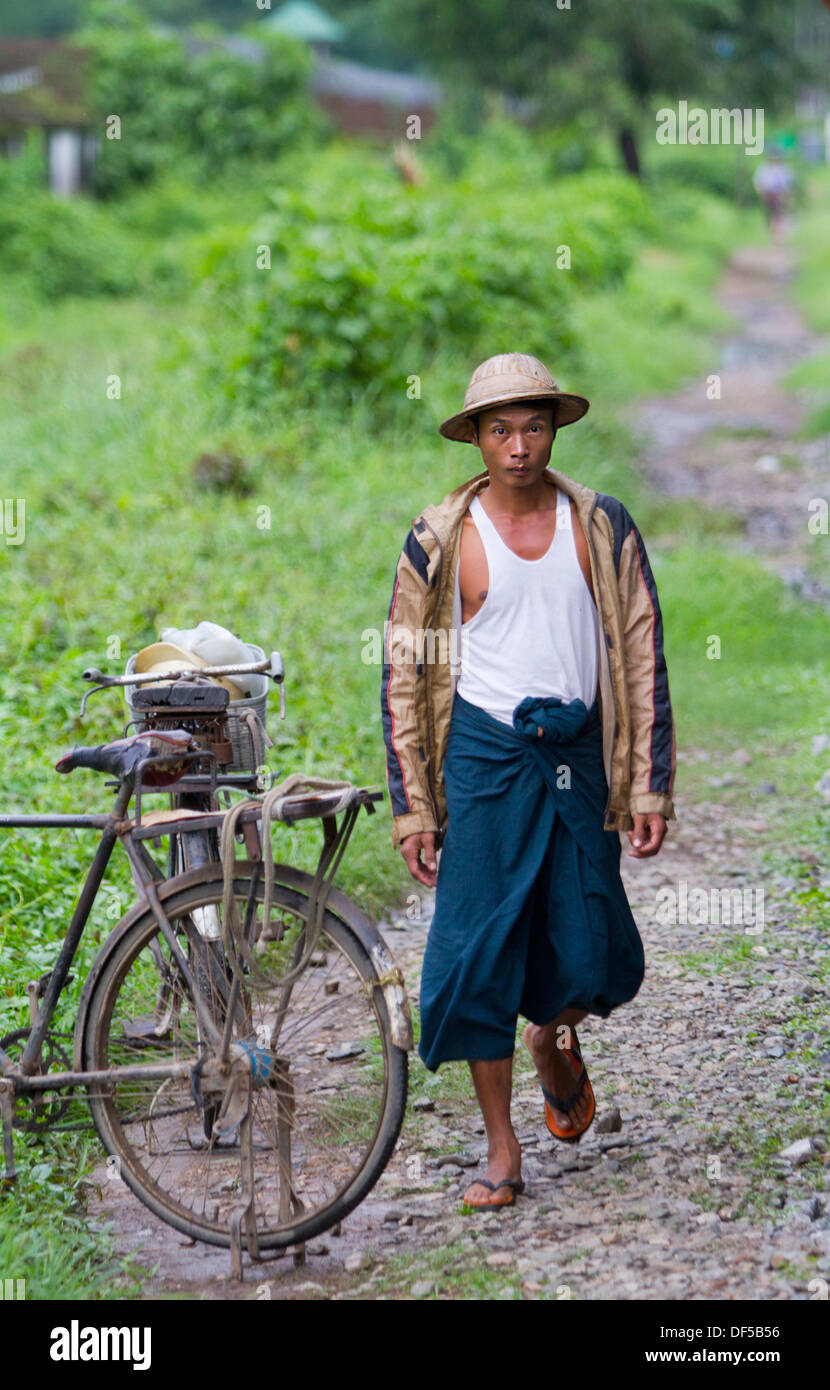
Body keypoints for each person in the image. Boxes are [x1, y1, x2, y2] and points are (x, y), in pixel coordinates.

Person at [380, 353, 677, 1208]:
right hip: (481, 758)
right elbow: (407, 677)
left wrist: (648, 785)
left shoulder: (603, 525)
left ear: (556, 428)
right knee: (478, 952)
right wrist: (414, 807)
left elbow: (644, 653)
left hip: (578, 755)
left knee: (594, 948)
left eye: (534, 426)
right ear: (475, 438)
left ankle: (552, 1036)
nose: (519, 446)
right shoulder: (441, 542)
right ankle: (503, 1150)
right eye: (500, 429)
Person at [752, 147, 794, 239]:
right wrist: (760, 192)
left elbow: (787, 183)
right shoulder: (763, 168)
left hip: (778, 194)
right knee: (769, 213)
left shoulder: (783, 168)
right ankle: (771, 233)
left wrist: (786, 194)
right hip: (767, 193)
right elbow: (758, 181)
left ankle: (778, 233)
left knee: (778, 213)